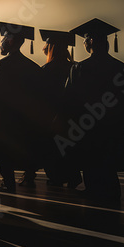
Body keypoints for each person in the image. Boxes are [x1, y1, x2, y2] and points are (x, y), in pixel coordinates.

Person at [64, 19, 124, 203]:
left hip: (89, 124)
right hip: (113, 124)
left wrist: (72, 123)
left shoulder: (79, 68)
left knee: (91, 160)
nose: (84, 44)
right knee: (109, 161)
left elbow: (70, 99)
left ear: (92, 42)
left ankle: (92, 190)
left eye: (85, 41)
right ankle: (112, 192)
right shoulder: (122, 68)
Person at [0, 21, 45, 193]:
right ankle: (29, 178)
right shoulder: (33, 67)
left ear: (10, 41)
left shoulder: (2, 66)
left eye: (3, 39)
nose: (0, 43)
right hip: (27, 119)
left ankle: (8, 183)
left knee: (5, 152)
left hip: (6, 120)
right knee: (28, 148)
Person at [37, 29, 80, 188]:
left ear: (51, 47)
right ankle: (72, 176)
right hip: (72, 117)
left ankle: (57, 177)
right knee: (69, 148)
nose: (43, 48)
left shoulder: (46, 70)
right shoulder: (74, 68)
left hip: (51, 117)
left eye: (46, 44)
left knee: (53, 148)